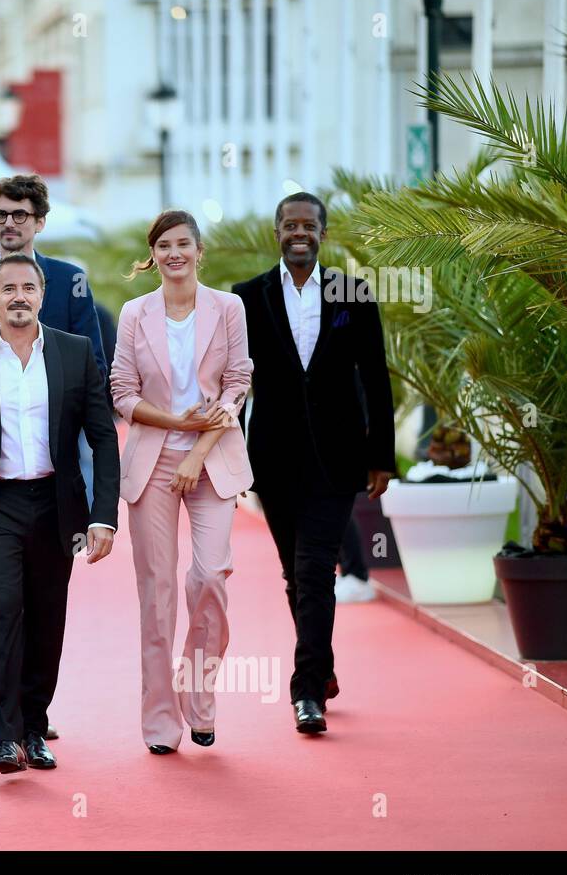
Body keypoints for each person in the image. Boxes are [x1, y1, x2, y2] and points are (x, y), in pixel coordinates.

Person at [0, 253, 119, 774]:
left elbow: (103, 438)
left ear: (42, 294)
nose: (18, 295)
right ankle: (5, 738)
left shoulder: (74, 353)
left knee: (46, 618)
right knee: (1, 611)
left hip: (56, 503)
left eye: (28, 287)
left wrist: (103, 516)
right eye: (6, 287)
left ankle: (36, 727)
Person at [231, 193, 395, 734]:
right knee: (294, 575)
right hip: (274, 458)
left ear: (322, 233)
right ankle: (321, 669)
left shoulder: (353, 293)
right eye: (289, 224)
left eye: (309, 224)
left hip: (337, 456)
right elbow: (232, 383)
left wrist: (382, 457)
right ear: (276, 231)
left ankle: (306, 693)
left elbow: (375, 376)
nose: (298, 232)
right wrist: (228, 454)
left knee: (312, 569)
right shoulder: (246, 297)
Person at [111, 210, 253, 754]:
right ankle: (160, 724)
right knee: (158, 594)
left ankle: (201, 698)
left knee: (211, 577)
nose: (175, 253)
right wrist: (176, 424)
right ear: (154, 254)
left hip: (212, 460)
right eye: (164, 245)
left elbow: (237, 382)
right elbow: (122, 390)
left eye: (184, 244)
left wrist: (196, 449)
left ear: (199, 252)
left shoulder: (228, 308)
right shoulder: (134, 313)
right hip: (151, 466)